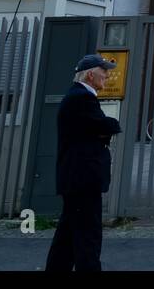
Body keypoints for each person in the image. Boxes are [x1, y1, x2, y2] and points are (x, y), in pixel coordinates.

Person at [45, 54, 122, 272]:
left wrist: (102, 130)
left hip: (75, 178)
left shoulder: (77, 97)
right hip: (83, 178)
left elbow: (95, 129)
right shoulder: (82, 98)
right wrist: (109, 126)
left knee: (68, 234)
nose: (107, 75)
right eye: (103, 71)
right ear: (90, 74)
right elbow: (105, 125)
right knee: (88, 235)